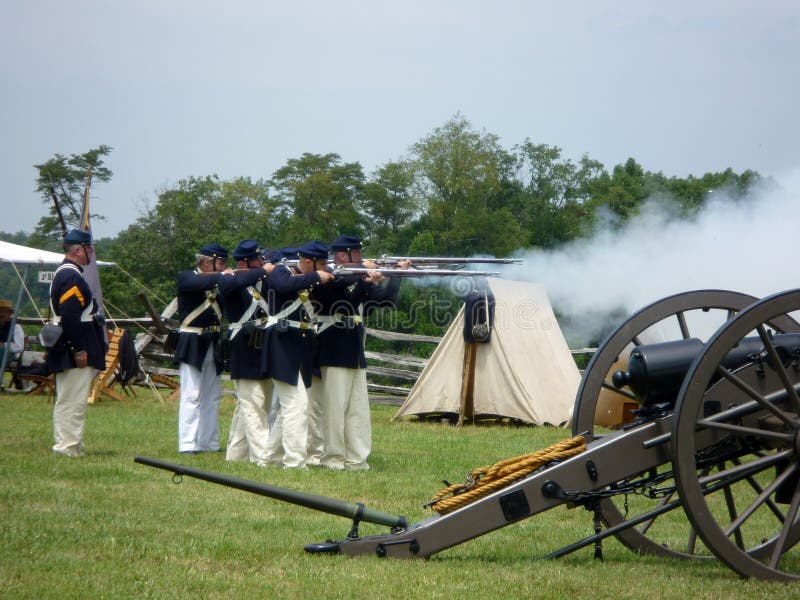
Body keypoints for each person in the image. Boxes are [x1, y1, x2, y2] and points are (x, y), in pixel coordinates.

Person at [312, 234, 408, 471]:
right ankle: (332, 459)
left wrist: (397, 276)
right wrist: (364, 281)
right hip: (332, 347)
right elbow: (342, 305)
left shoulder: (353, 277)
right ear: (344, 255)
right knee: (334, 410)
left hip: (353, 349)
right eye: (357, 254)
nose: (362, 258)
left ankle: (357, 459)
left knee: (357, 410)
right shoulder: (328, 276)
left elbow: (384, 302)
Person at [261, 240, 334, 468]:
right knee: (296, 405)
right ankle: (294, 461)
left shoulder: (306, 277)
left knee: (289, 408)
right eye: (320, 263)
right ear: (307, 261)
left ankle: (270, 458)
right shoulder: (281, 270)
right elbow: (284, 286)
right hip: (281, 345)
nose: (324, 267)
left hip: (300, 346)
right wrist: (316, 277)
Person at [46, 229, 107, 457]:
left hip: (71, 341)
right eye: (88, 248)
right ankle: (67, 447)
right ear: (78, 250)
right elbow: (70, 316)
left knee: (72, 398)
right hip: (74, 344)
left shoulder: (69, 273)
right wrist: (79, 349)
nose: (91, 252)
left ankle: (70, 444)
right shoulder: (71, 276)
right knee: (73, 400)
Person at [220, 240, 275, 466]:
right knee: (253, 406)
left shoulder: (263, 280)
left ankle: (236, 455)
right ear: (244, 262)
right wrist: (263, 272)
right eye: (257, 260)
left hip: (265, 346)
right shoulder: (228, 279)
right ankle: (263, 457)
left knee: (251, 406)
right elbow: (229, 287)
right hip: (243, 346)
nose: (262, 262)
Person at [174, 243, 230, 454]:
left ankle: (208, 443)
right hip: (192, 340)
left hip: (213, 340)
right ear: (207, 261)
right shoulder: (187, 277)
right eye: (220, 262)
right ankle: (188, 444)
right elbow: (196, 283)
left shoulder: (218, 280)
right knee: (191, 395)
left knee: (211, 396)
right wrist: (225, 276)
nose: (224, 266)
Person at [0, 299, 25, 369]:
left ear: (9, 313)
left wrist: (4, 345)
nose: (0, 313)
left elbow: (20, 347)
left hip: (8, 356)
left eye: (3, 311)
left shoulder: (15, 327)